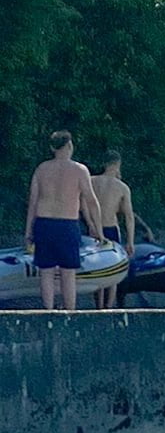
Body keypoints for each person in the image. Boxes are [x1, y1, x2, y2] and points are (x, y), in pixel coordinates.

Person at [26, 131, 105, 311]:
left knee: (46, 271)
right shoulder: (79, 170)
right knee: (68, 272)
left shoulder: (42, 169)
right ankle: (70, 311)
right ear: (69, 146)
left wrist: (28, 231)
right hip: (67, 224)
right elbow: (91, 201)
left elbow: (33, 201)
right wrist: (98, 229)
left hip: (44, 222)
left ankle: (48, 310)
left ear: (52, 148)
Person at [91, 150, 149, 308]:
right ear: (117, 164)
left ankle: (98, 305)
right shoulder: (122, 187)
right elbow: (129, 217)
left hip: (94, 230)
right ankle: (109, 307)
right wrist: (130, 241)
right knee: (112, 272)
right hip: (111, 229)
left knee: (97, 269)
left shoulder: (91, 181)